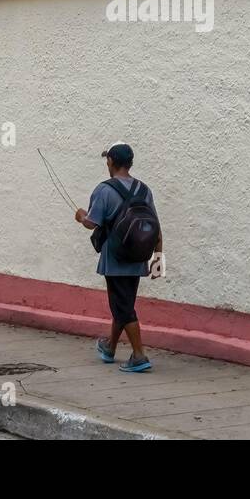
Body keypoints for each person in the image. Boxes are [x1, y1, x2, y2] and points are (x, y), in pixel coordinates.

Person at [75, 142, 162, 373]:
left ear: (111, 162)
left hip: (115, 260)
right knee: (123, 304)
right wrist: (158, 258)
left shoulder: (104, 190)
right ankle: (110, 347)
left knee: (123, 307)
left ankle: (139, 355)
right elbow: (156, 226)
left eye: (107, 160)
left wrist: (81, 216)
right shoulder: (144, 190)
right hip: (138, 258)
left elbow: (92, 223)